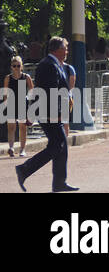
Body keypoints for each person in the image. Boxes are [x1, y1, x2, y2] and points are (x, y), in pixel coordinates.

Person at [15, 38, 77, 192]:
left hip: (52, 112)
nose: (67, 51)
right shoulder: (48, 64)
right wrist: (53, 114)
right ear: (57, 49)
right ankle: (25, 169)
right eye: (65, 48)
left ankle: (59, 182)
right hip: (48, 112)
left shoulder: (55, 64)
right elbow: (49, 92)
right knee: (57, 145)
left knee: (61, 145)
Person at [5, 56, 33, 157]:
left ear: (21, 66)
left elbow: (31, 90)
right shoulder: (8, 78)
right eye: (14, 66)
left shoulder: (26, 77)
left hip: (22, 104)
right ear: (11, 67)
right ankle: (11, 147)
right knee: (11, 127)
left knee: (22, 128)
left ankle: (22, 149)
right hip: (11, 104)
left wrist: (29, 103)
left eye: (18, 65)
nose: (16, 67)